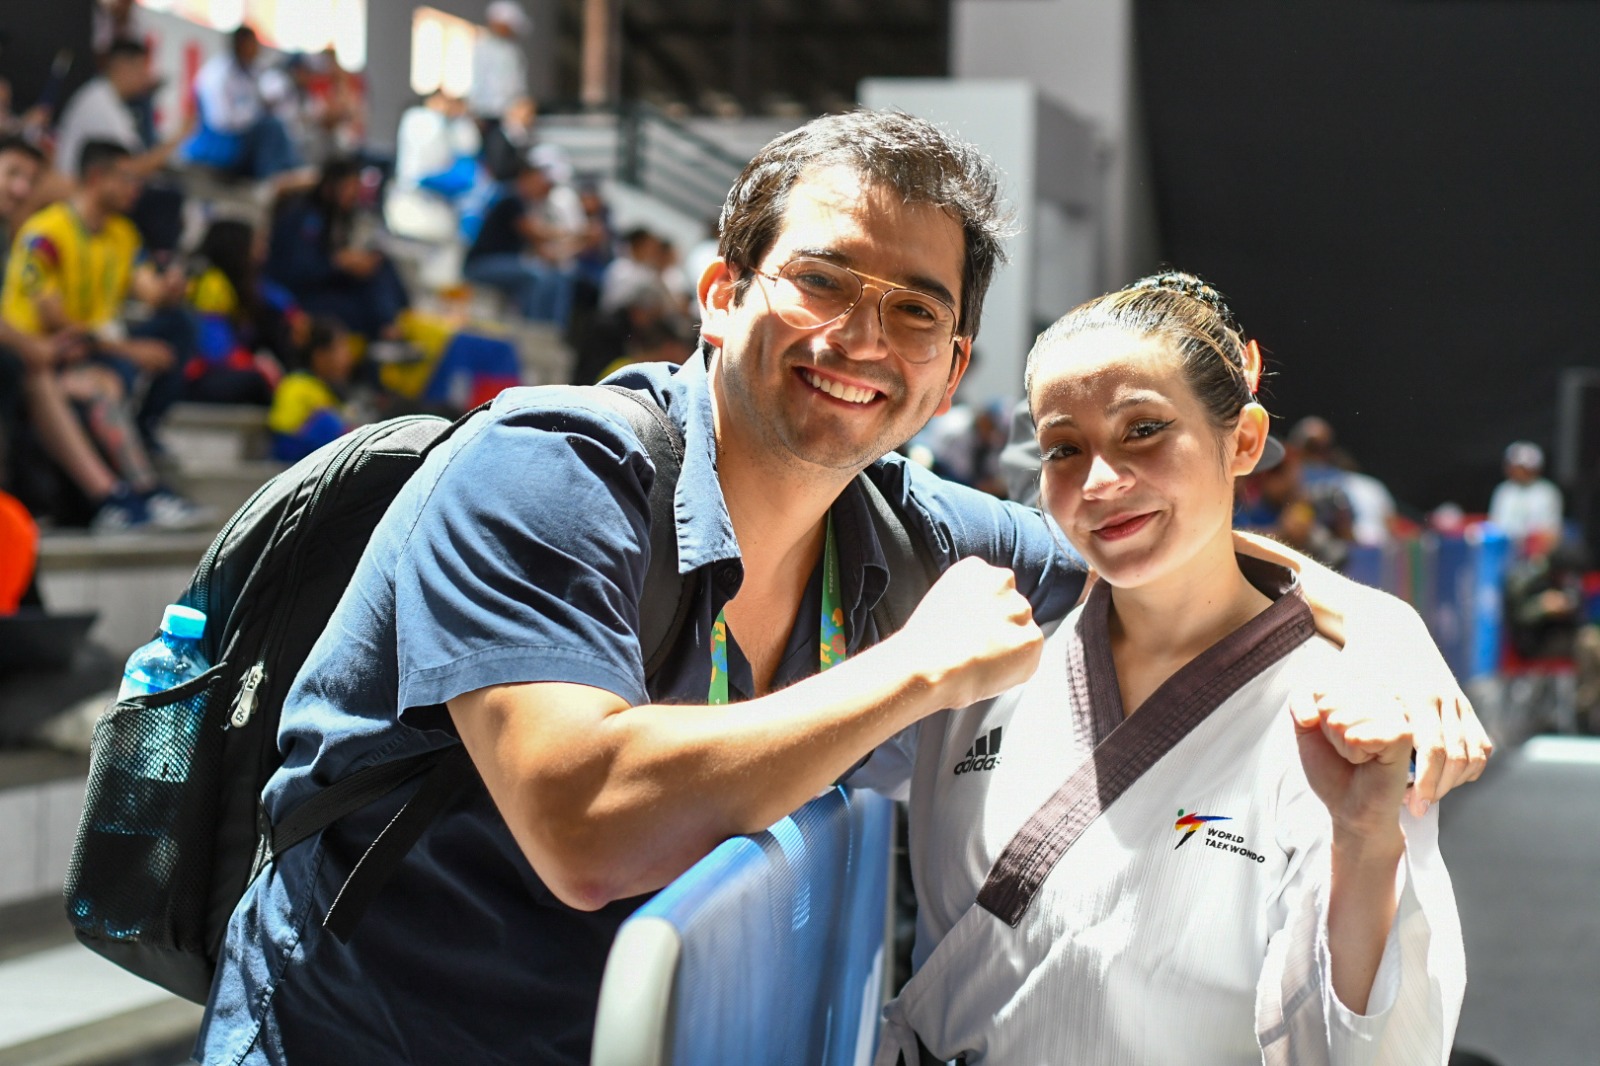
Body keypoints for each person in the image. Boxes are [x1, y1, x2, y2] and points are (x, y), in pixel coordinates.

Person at [197, 111, 1487, 1066]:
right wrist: (910, 671)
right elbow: (583, 824)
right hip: (360, 1036)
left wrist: (1383, 626)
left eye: (915, 311)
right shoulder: (549, 471)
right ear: (720, 295)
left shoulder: (909, 527)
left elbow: (1164, 544)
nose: (863, 337)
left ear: (951, 368)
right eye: (821, 278)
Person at [873, 273, 1464, 1065]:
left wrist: (1364, 840)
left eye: (1144, 430)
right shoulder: (983, 659)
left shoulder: (1337, 708)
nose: (1100, 482)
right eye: (1063, 448)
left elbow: (1367, 1048)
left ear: (1244, 441)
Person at [0, 139, 208, 530]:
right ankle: (136, 492)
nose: (136, 189)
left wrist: (169, 290)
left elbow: (148, 291)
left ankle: (143, 446)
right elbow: (53, 318)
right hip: (51, 352)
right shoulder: (46, 232)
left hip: (89, 347)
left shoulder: (122, 233)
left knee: (179, 326)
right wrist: (128, 350)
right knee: (107, 381)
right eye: (127, 178)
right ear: (97, 177)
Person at [53, 38, 191, 254]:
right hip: (78, 191)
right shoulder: (99, 103)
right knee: (164, 199)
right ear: (122, 66)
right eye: (141, 69)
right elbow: (135, 168)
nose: (145, 77)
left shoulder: (111, 101)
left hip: (92, 188)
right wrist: (181, 134)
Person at [265, 157, 410, 341]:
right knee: (360, 309)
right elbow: (296, 270)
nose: (354, 195)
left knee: (380, 265)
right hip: (299, 294)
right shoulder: (304, 217)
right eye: (349, 187)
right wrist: (338, 263)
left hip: (323, 284)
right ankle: (386, 330)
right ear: (330, 187)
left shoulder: (335, 217)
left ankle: (398, 319)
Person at [461, 156, 579, 324]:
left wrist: (575, 247)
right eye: (539, 181)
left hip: (508, 263)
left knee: (558, 279)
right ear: (525, 177)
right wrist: (573, 233)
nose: (543, 187)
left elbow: (544, 251)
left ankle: (552, 329)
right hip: (482, 264)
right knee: (535, 276)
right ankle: (532, 328)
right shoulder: (511, 198)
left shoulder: (529, 205)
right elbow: (534, 233)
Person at [185, 26, 301, 180]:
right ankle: (272, 180)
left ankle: (289, 174)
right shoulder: (217, 75)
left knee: (278, 128)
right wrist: (257, 111)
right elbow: (221, 121)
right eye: (253, 45)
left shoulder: (252, 71)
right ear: (240, 45)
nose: (257, 51)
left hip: (241, 137)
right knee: (271, 127)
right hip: (219, 142)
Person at [266, 315, 357, 462]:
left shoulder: (328, 389)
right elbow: (283, 437)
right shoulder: (296, 385)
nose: (349, 357)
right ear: (320, 356)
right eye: (341, 348)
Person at [1488, 440, 1563, 547]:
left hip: (1535, 550)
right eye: (1513, 466)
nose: (1516, 471)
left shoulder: (1547, 492)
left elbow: (1551, 534)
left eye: (1521, 467)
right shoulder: (1503, 490)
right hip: (1505, 549)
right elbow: (1495, 527)